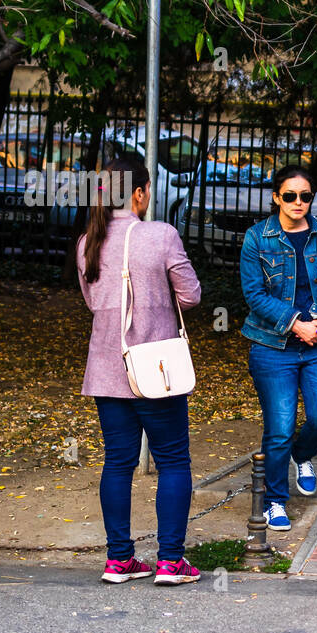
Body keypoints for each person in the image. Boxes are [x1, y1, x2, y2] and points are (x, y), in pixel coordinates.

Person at [77, 154, 202, 584]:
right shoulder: (161, 235)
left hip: (107, 369)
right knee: (172, 461)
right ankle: (170, 561)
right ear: (139, 193)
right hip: (156, 369)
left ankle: (119, 560)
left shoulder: (87, 242)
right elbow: (191, 297)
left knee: (117, 462)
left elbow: (95, 303)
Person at [240, 163, 317, 531]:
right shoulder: (257, 238)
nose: (298, 202)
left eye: (305, 196)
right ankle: (274, 502)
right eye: (290, 196)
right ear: (276, 198)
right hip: (272, 344)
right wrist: (294, 324)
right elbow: (254, 294)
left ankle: (303, 454)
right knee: (279, 427)